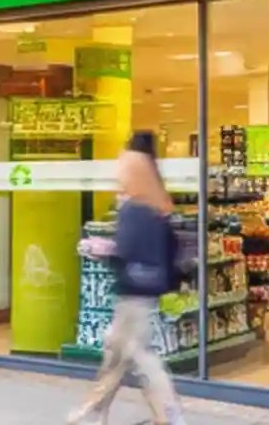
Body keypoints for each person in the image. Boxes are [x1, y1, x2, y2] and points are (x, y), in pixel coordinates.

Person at [69, 131, 188, 425]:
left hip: (133, 291)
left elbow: (128, 249)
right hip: (148, 288)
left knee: (137, 357)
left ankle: (169, 414)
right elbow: (163, 246)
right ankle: (96, 413)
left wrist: (102, 251)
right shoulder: (158, 200)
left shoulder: (134, 206)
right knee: (117, 356)